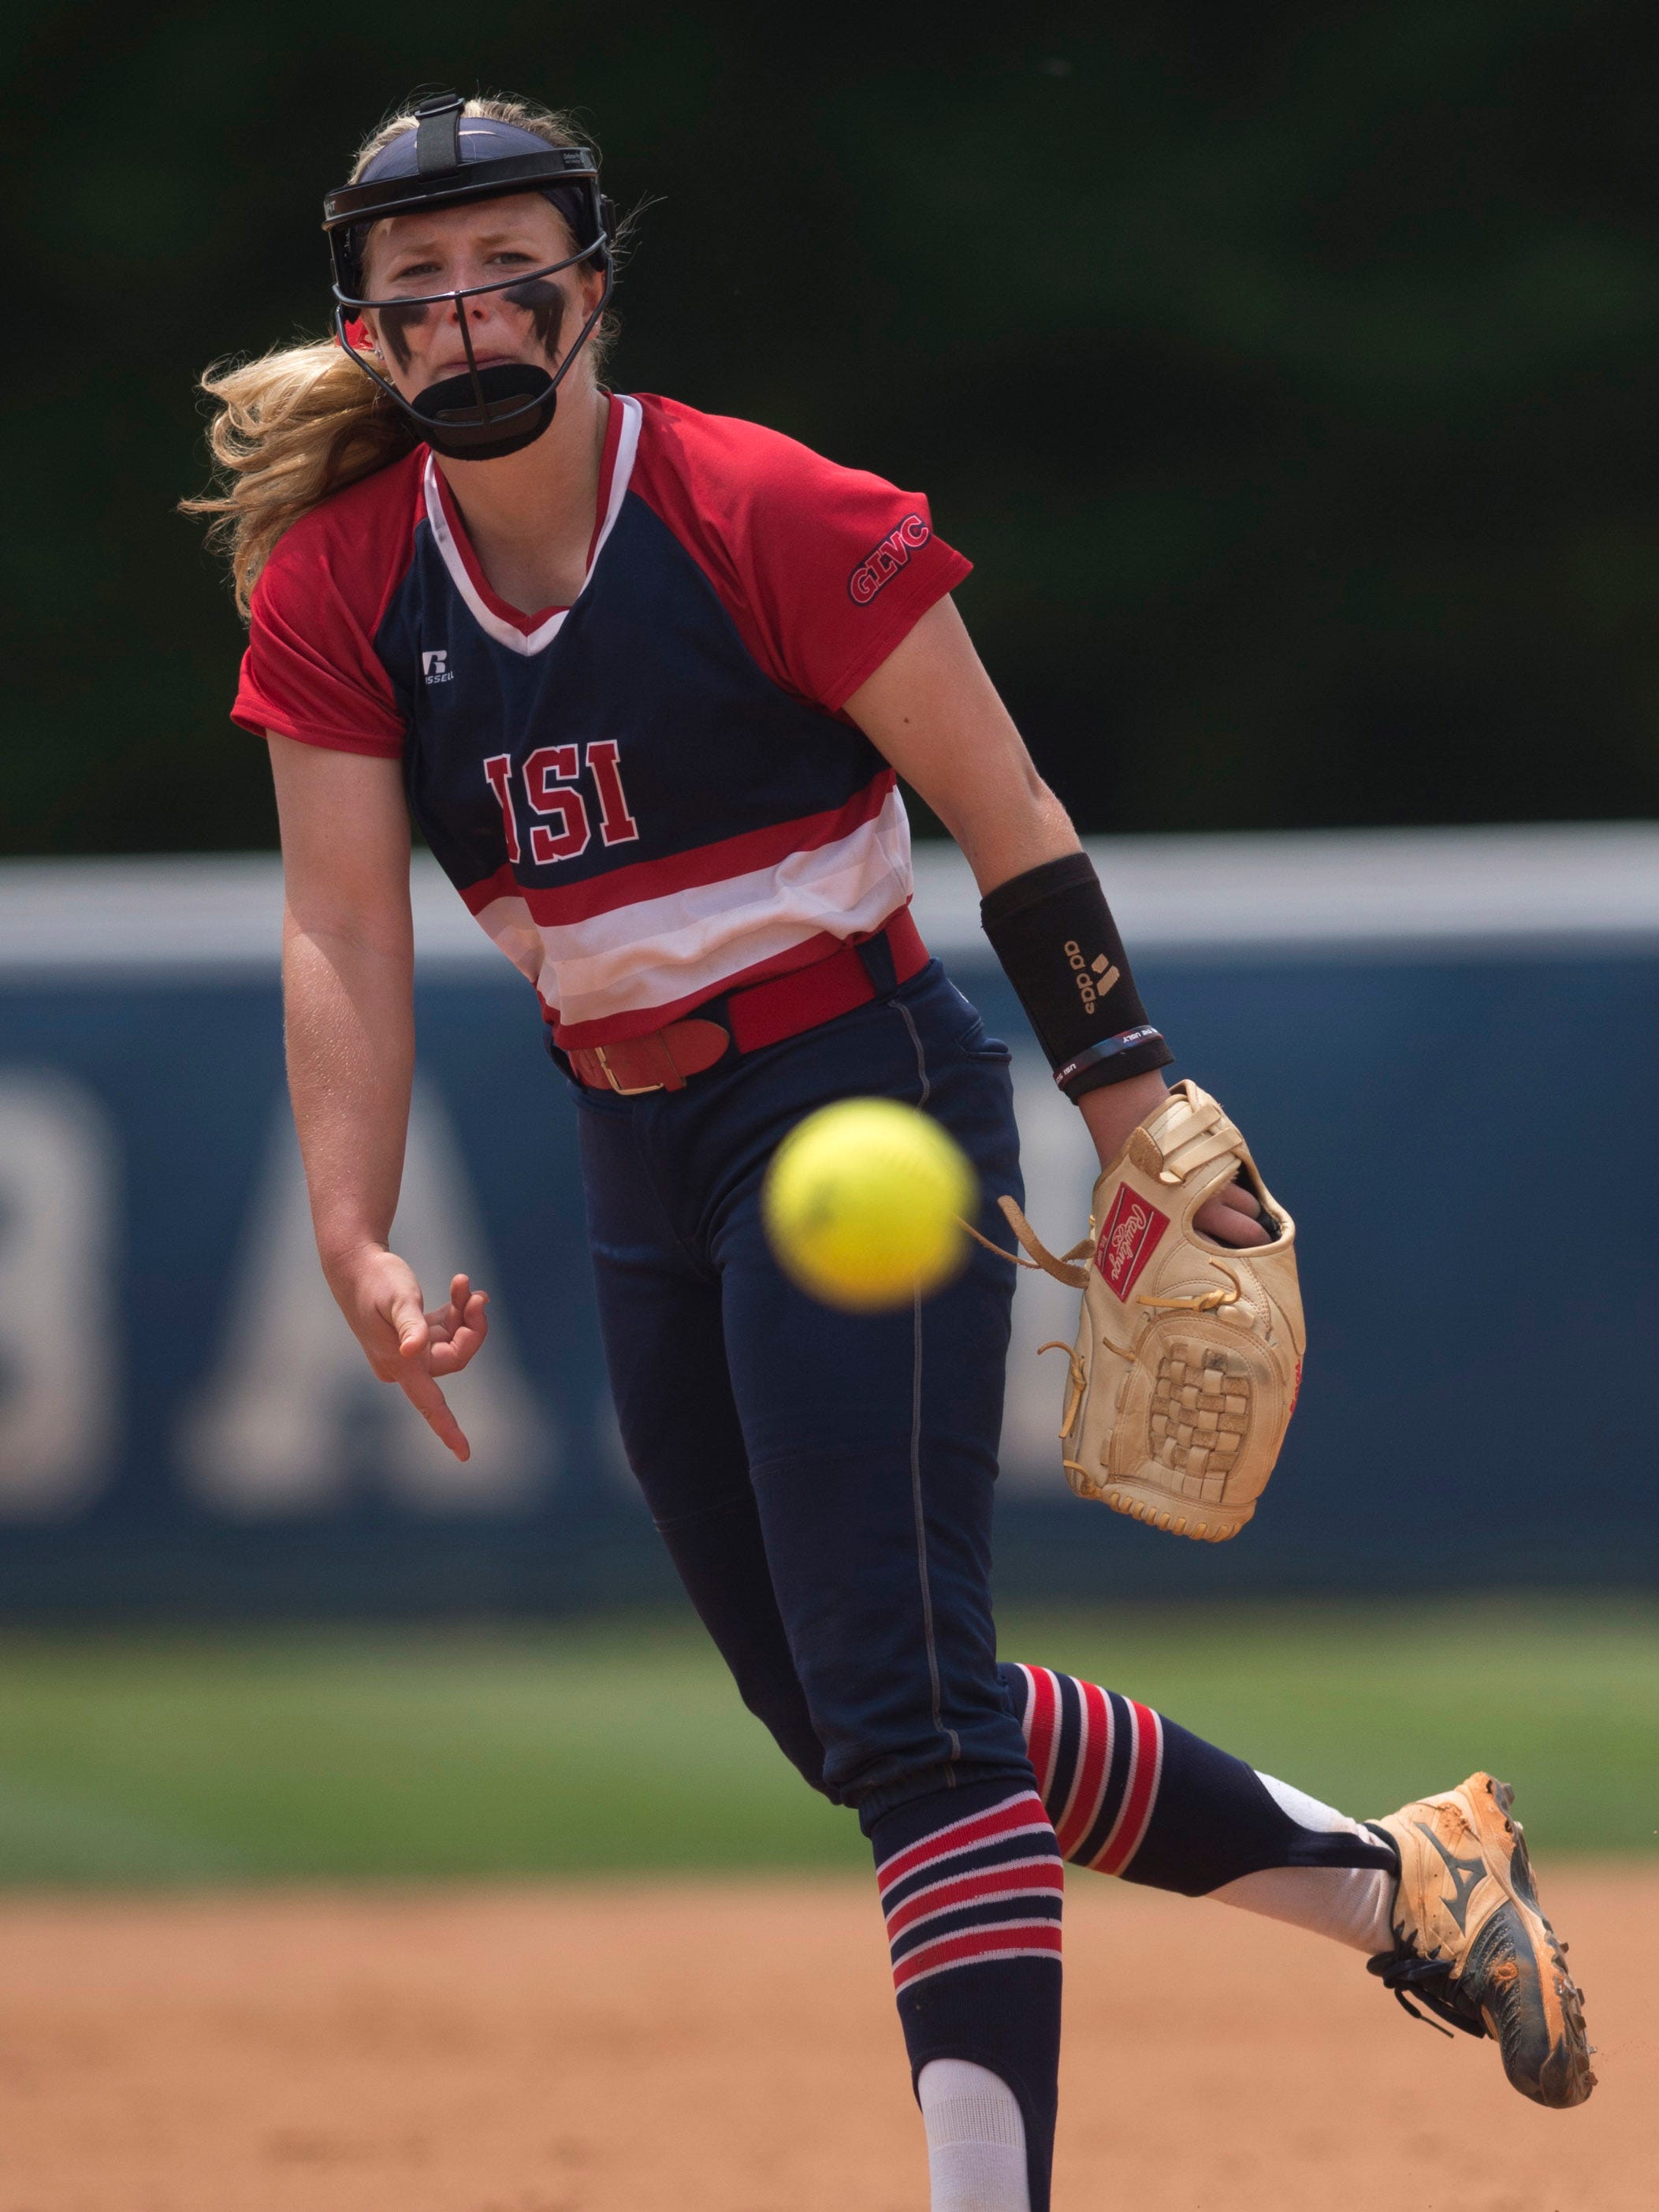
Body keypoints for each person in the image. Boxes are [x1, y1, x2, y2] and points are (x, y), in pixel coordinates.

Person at [186, 91, 1593, 2212]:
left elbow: (1007, 820)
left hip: (853, 1095)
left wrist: (1138, 1110)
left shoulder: (764, 509)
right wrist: (348, 1220)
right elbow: (335, 929)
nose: (463, 310)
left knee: (913, 1731)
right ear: (365, 337)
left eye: (504, 265)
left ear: (589, 286)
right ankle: (1401, 1882)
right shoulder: (346, 588)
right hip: (635, 1141)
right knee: (853, 1713)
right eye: (412, 286)